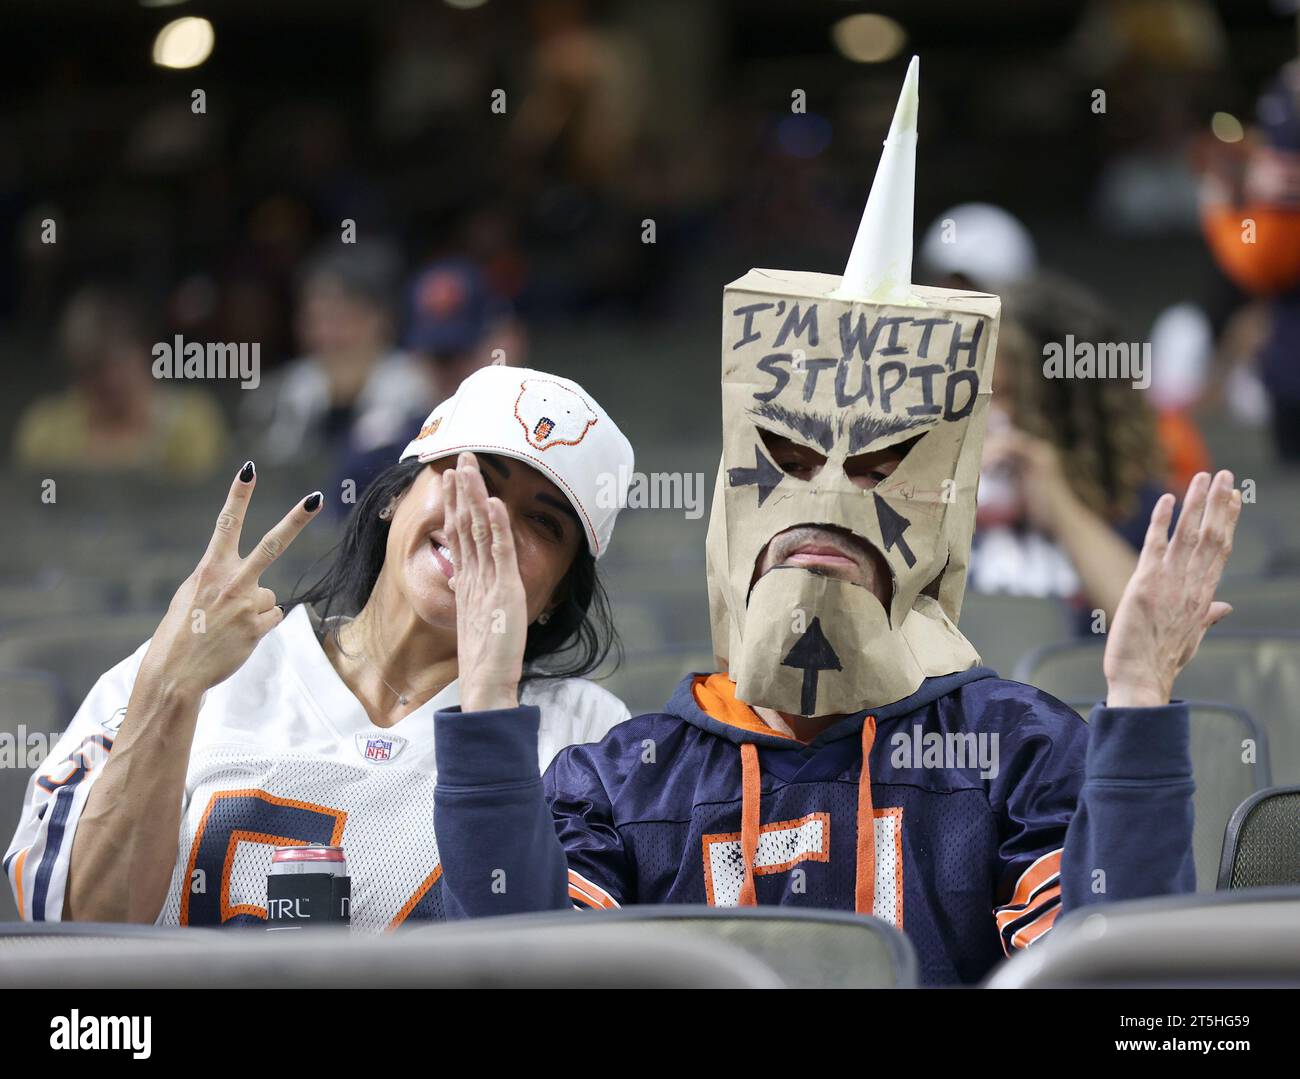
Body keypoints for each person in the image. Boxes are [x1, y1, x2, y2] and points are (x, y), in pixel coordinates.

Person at [425, 59, 1242, 986]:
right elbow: (516, 976)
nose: (829, 500)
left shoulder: (1020, 752)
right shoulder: (619, 781)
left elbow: (1137, 1000)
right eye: (791, 458)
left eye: (882, 465)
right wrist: (488, 702)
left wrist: (1137, 705)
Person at [6, 366, 635, 930]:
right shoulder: (200, 664)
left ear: (556, 594)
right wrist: (168, 689)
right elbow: (83, 927)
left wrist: (492, 703)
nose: (486, 524)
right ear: (395, 495)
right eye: (470, 479)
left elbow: (546, 974)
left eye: (541, 523)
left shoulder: (589, 732)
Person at [972, 275, 1178, 626]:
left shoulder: (1143, 509)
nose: (991, 416)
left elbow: (1157, 628)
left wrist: (1060, 507)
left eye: (1005, 394)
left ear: (1065, 407)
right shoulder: (953, 495)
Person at [239, 244, 431, 474]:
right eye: (314, 320)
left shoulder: (420, 392)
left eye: (340, 319)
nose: (325, 334)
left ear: (381, 320)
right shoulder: (275, 396)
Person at [13, 285, 227, 480]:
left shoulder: (190, 421)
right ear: (77, 371)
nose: (111, 380)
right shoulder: (45, 430)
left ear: (145, 352)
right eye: (94, 369)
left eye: (120, 364)